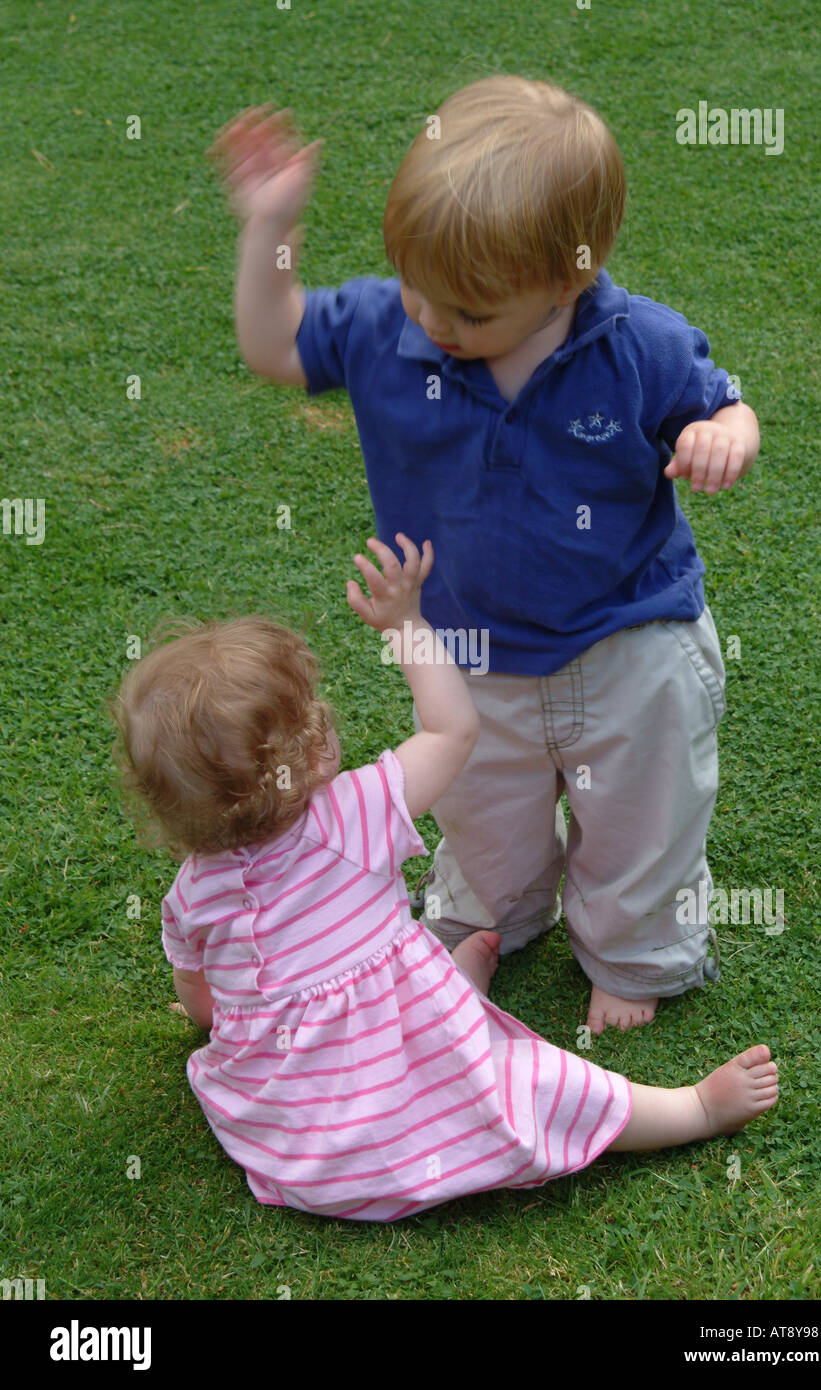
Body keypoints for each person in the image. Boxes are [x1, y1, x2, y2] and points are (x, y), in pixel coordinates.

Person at [208, 75, 761, 1034]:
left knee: (642, 812)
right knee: (482, 814)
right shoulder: (391, 326)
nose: (434, 321)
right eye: (419, 287)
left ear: (568, 279)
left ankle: (633, 951)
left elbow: (720, 404)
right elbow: (273, 341)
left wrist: (726, 435)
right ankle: (501, 910)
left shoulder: (637, 345)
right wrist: (270, 228)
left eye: (469, 313)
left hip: (627, 639)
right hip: (467, 650)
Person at [110, 537, 777, 1222]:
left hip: (299, 1150)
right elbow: (453, 729)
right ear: (315, 753)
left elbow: (203, 1008)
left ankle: (454, 986)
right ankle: (692, 1109)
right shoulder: (354, 814)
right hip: (397, 1124)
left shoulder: (192, 894)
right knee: (536, 1081)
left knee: (371, 1004)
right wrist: (407, 626)